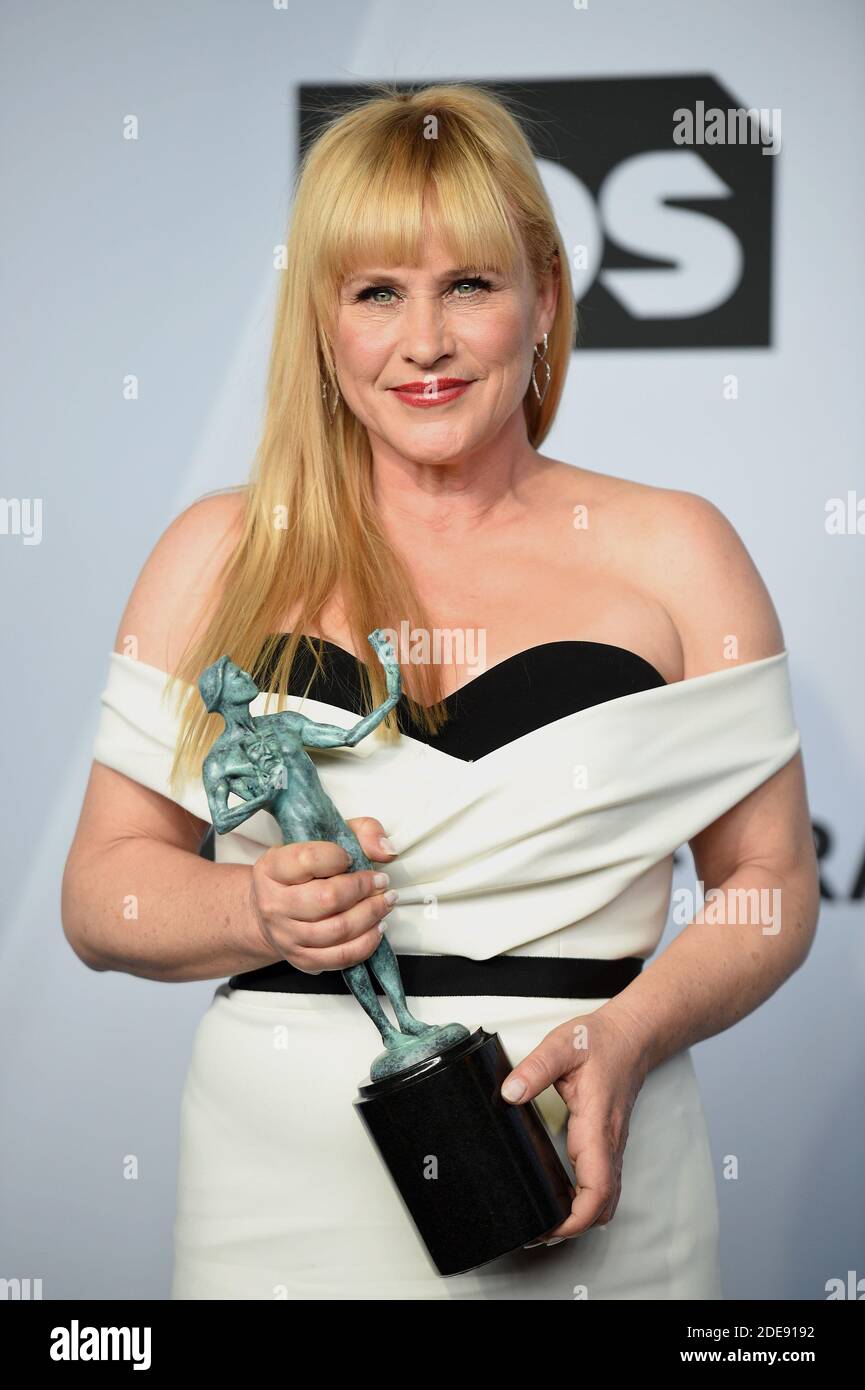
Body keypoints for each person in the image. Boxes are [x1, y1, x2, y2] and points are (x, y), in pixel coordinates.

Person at [62, 81, 819, 1300]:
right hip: (283, 1182)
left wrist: (627, 1037)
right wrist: (254, 912)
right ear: (321, 321)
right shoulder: (218, 551)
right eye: (376, 293)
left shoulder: (680, 551)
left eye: (468, 283)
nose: (426, 341)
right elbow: (104, 894)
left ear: (545, 299)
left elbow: (768, 883)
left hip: (592, 1153)